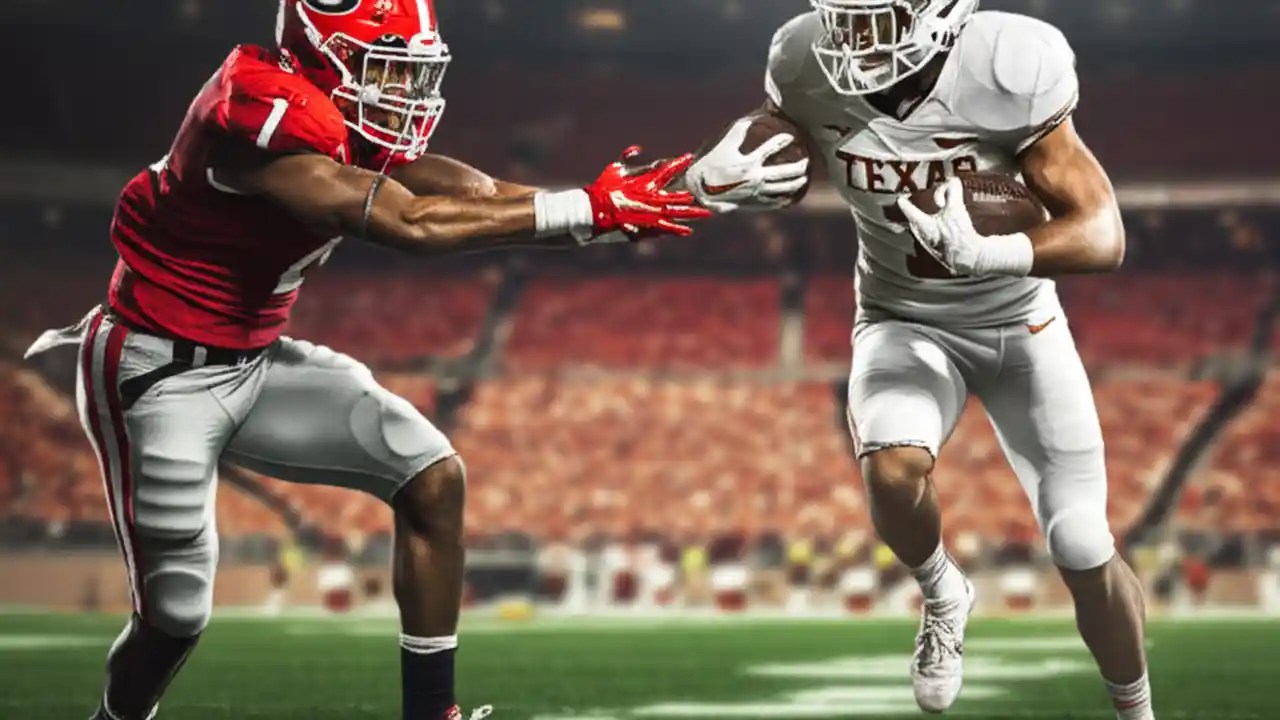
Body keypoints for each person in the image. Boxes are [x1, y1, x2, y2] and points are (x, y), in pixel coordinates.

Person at [24, 2, 708, 719]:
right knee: (174, 619)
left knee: (431, 476)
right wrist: (586, 212)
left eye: (415, 72)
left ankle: (429, 714)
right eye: (387, 68)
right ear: (321, 55)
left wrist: (615, 207)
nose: (406, 92)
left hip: (254, 363)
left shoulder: (336, 120)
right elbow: (404, 221)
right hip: (156, 372)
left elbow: (469, 192)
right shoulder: (260, 108)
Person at [682, 1, 1152, 717]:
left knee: (1083, 542)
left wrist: (990, 252)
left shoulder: (1009, 64)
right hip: (901, 316)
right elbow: (783, 137)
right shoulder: (801, 56)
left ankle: (1137, 708)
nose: (852, 39)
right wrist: (720, 164)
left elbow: (1102, 233)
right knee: (891, 464)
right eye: (844, 18)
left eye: (875, 19)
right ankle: (943, 592)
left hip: (1019, 321)